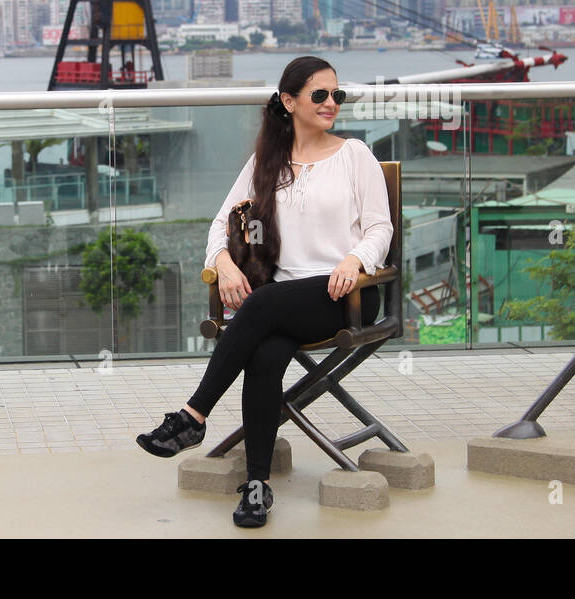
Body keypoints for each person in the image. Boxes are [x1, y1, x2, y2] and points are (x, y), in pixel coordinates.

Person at [136, 56, 394, 525]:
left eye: (338, 94)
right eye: (320, 95)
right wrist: (222, 263)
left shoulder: (356, 155)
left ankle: (193, 416)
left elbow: (380, 228)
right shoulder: (267, 162)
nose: (331, 103)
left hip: (347, 298)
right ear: (289, 101)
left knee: (262, 306)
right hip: (280, 305)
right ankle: (258, 485)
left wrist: (356, 260)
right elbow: (221, 224)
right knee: (265, 354)